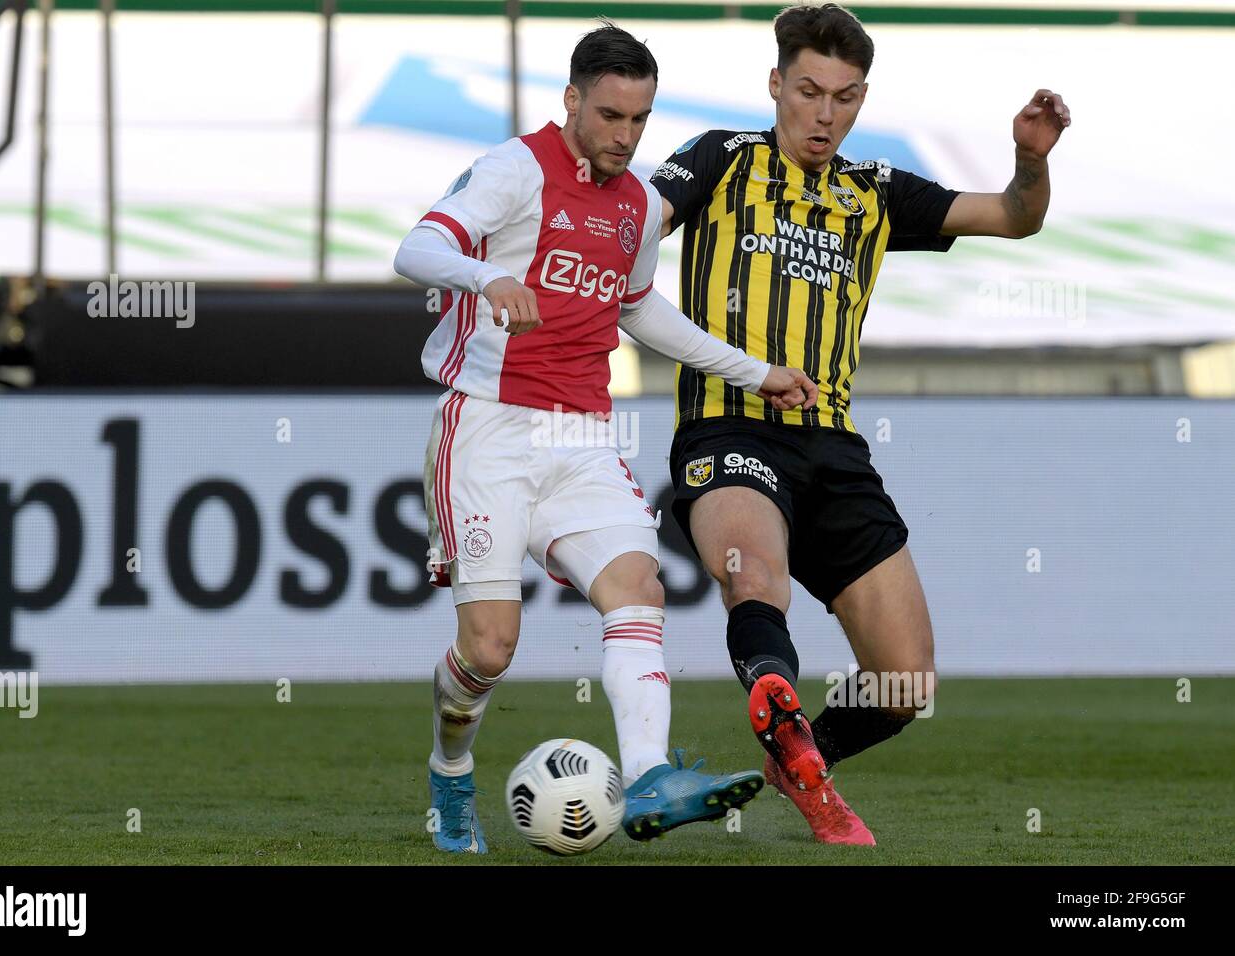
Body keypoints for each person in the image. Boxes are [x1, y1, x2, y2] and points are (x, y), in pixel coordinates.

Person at [648, 1, 1071, 845]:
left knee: (907, 683)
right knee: (753, 577)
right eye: (808, 91)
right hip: (730, 427)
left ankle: (802, 751)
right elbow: (635, 229)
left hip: (835, 451)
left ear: (861, 98)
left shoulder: (875, 192)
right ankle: (779, 702)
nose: (824, 113)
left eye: (844, 97)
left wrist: (1029, 161)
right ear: (777, 85)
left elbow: (1017, 215)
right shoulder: (720, 161)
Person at [393, 22, 819, 854]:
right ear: (572, 100)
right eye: (611, 115)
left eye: (640, 119)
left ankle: (652, 775)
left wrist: (752, 371)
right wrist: (491, 275)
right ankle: (450, 776)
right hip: (488, 428)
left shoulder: (635, 205)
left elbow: (636, 306)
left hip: (583, 436)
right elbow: (417, 248)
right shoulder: (518, 169)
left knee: (639, 593)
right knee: (488, 650)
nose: (625, 136)